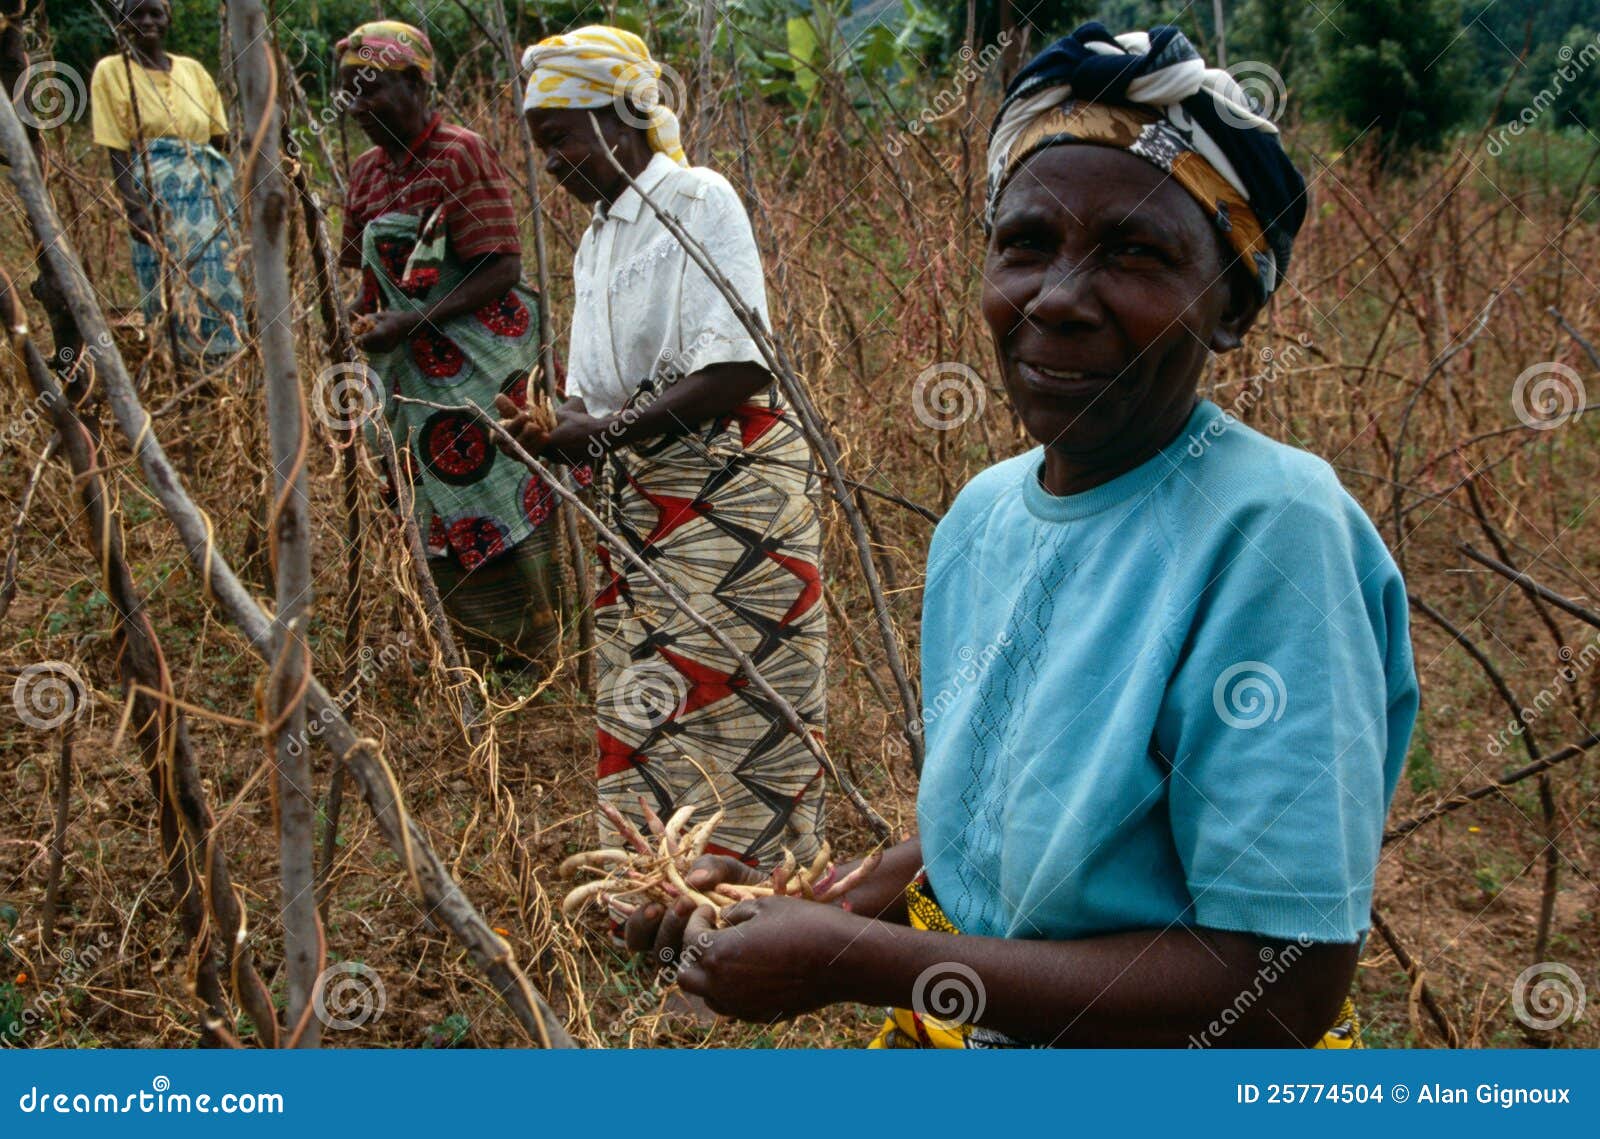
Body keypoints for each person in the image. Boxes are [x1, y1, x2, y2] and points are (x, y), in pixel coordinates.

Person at [628, 24, 1420, 1048]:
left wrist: (853, 961)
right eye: (1026, 244)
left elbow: (1277, 993)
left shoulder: (1275, 535)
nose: (1055, 299)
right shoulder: (983, 516)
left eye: (1136, 252)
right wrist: (807, 900)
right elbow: (1017, 830)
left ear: (1229, 308)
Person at [502, 26, 828, 867]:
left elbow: (735, 367)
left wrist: (600, 432)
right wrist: (552, 425)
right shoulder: (595, 241)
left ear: (627, 115)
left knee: (733, 691)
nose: (553, 165)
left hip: (733, 493)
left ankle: (756, 900)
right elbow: (593, 391)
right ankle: (661, 889)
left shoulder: (697, 200)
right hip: (644, 500)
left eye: (561, 140)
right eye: (542, 149)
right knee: (653, 693)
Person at [336, 20, 565, 666]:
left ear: (416, 84)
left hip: (483, 361)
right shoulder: (364, 175)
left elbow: (502, 267)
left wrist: (413, 321)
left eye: (369, 90)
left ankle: (534, 651)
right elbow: (367, 277)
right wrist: (357, 322)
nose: (355, 107)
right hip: (412, 375)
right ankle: (473, 648)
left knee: (500, 485)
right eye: (347, 93)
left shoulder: (459, 153)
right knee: (433, 500)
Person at [90, 0, 247, 363]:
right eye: (136, 13)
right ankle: (180, 367)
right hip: (156, 196)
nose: (147, 22)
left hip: (209, 194)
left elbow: (219, 138)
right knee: (168, 285)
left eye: (155, 13)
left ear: (168, 19)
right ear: (120, 20)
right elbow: (117, 149)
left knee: (220, 276)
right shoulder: (112, 72)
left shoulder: (192, 70)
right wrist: (134, 208)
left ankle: (226, 362)